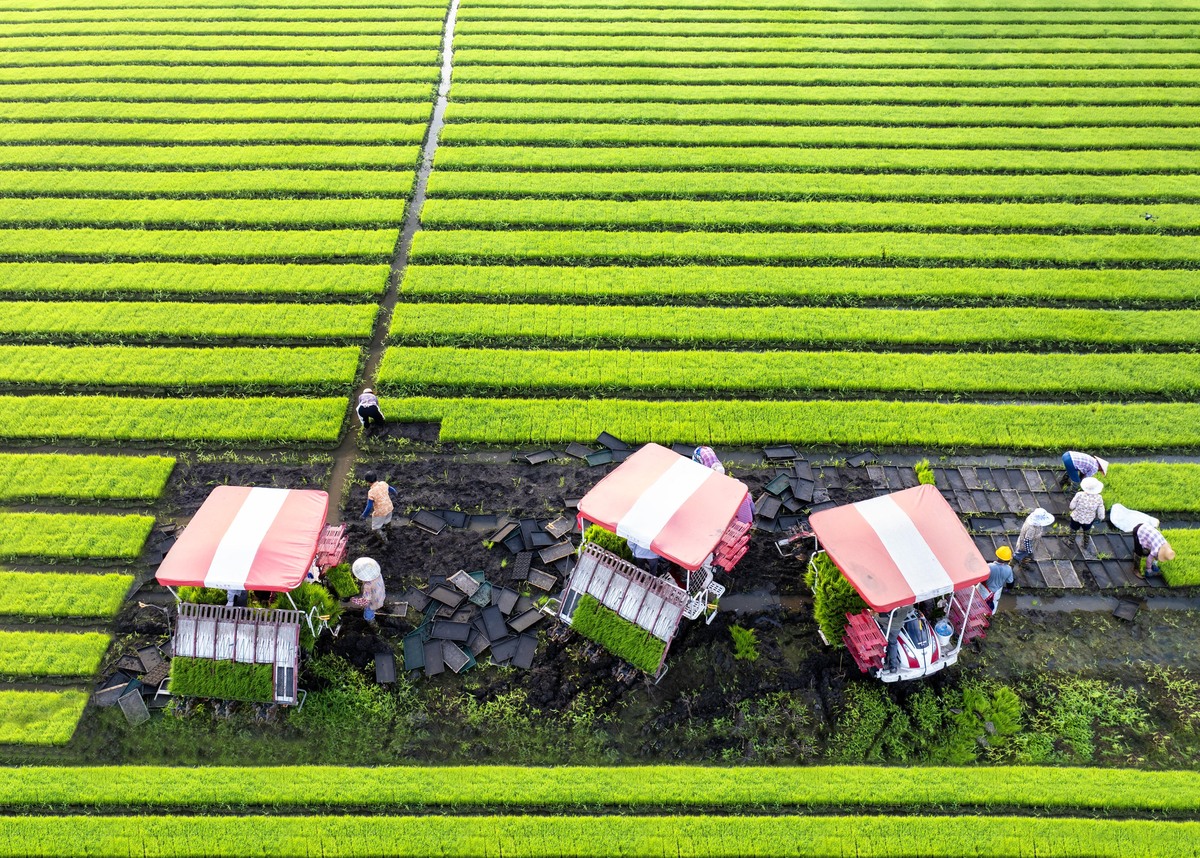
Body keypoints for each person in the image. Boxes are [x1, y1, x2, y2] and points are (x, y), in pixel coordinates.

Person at [1068, 476, 1106, 553]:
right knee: (1087, 531)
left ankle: (1070, 543)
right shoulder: (1099, 497)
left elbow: (1072, 506)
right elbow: (1101, 509)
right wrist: (1101, 517)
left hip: (1077, 517)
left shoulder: (1079, 494)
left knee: (1073, 530)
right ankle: (1085, 544)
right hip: (1089, 519)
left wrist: (1071, 508)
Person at [360, 472, 397, 544]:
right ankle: (390, 534)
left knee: (375, 528)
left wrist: (363, 515)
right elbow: (391, 489)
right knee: (387, 521)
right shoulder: (383, 483)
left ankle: (385, 542)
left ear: (368, 482)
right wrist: (395, 493)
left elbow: (369, 506)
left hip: (380, 512)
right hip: (389, 507)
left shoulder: (371, 492)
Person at [348, 557, 386, 622]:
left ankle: (372, 622)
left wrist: (354, 600)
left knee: (368, 611)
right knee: (377, 603)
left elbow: (365, 601)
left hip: (373, 602)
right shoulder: (378, 574)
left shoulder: (367, 586)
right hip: (381, 595)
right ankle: (378, 607)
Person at [980, 546, 1014, 614]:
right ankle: (988, 616)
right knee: (993, 605)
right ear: (1007, 559)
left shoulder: (989, 566)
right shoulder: (1008, 569)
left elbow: (980, 577)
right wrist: (1008, 589)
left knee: (978, 601)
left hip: (984, 589)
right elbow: (1010, 584)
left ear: (997, 555)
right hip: (996, 591)